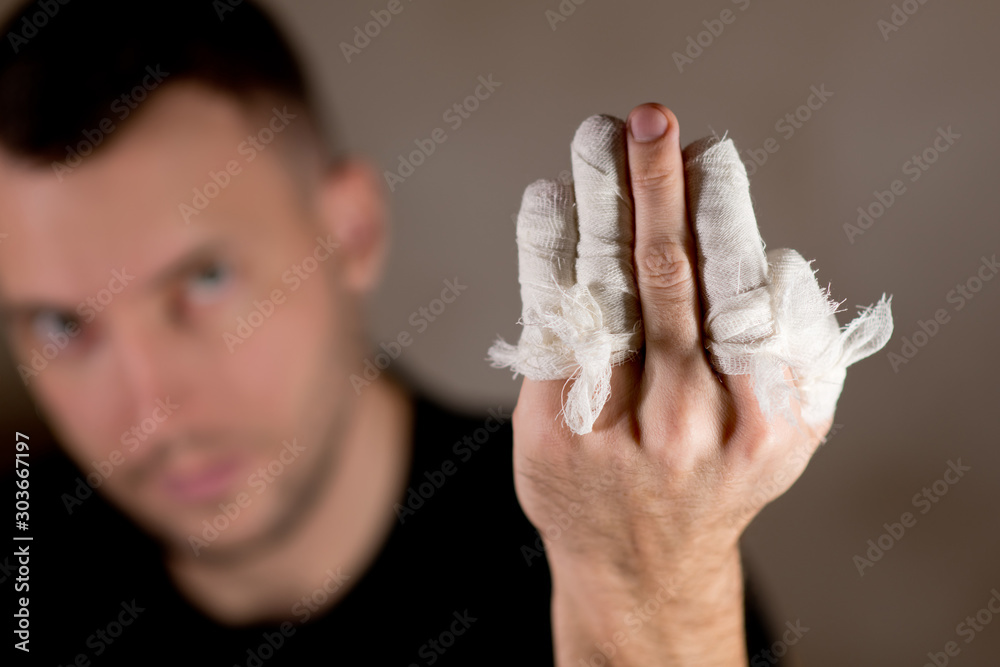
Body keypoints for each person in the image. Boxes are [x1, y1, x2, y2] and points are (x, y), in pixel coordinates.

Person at [0, 1, 819, 664]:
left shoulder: (603, 547)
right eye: (62, 324)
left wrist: (646, 598)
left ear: (349, 231)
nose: (151, 407)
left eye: (206, 281)